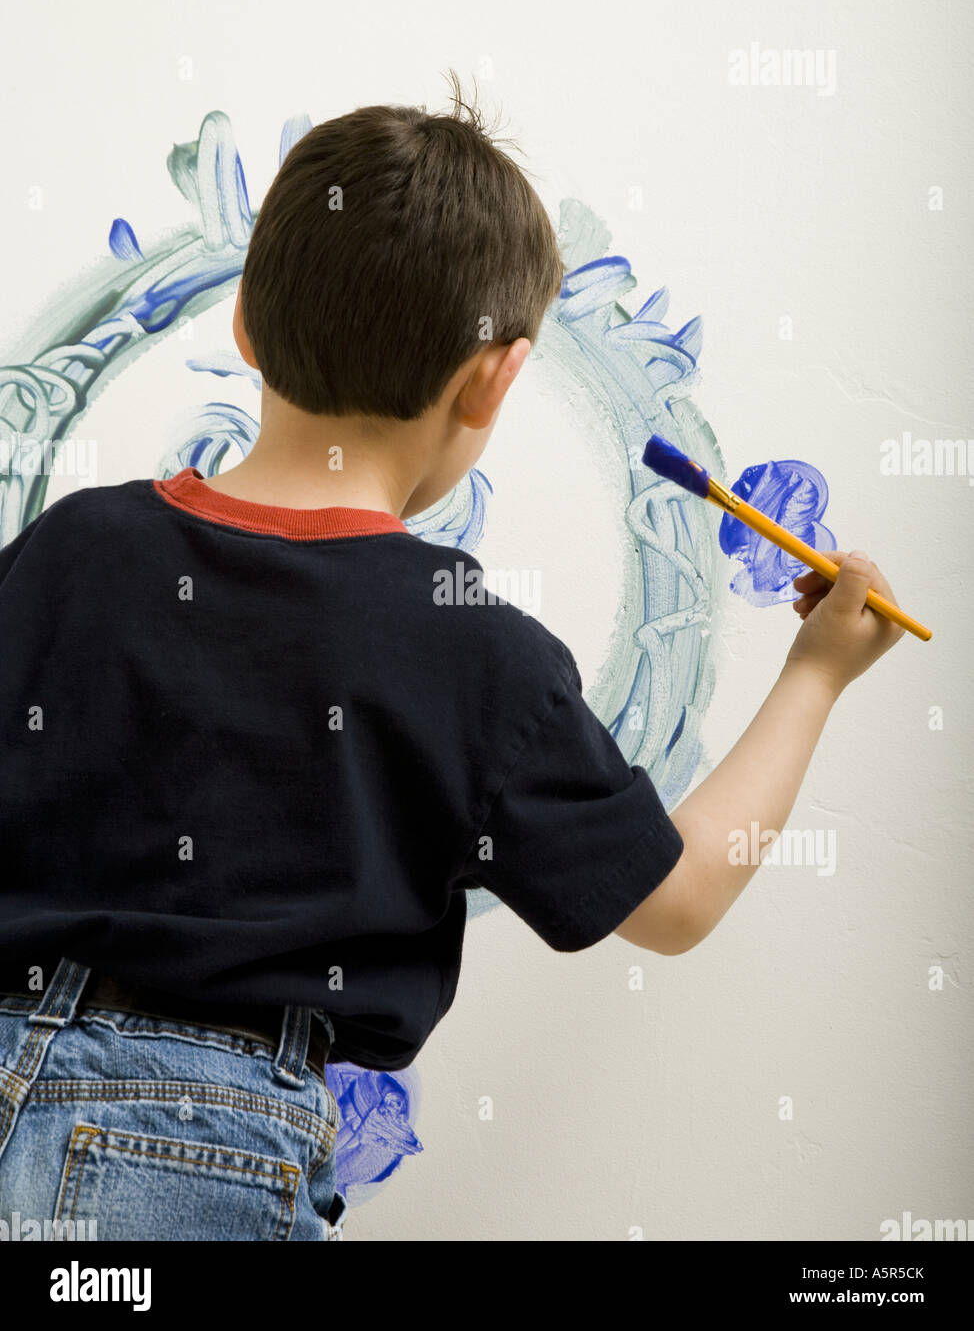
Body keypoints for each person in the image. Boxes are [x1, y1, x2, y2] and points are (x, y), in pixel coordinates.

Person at [0, 73, 903, 1241]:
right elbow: (675, 898)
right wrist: (814, 675)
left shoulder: (74, 547)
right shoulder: (470, 648)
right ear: (492, 378)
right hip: (190, 1145)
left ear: (244, 324)